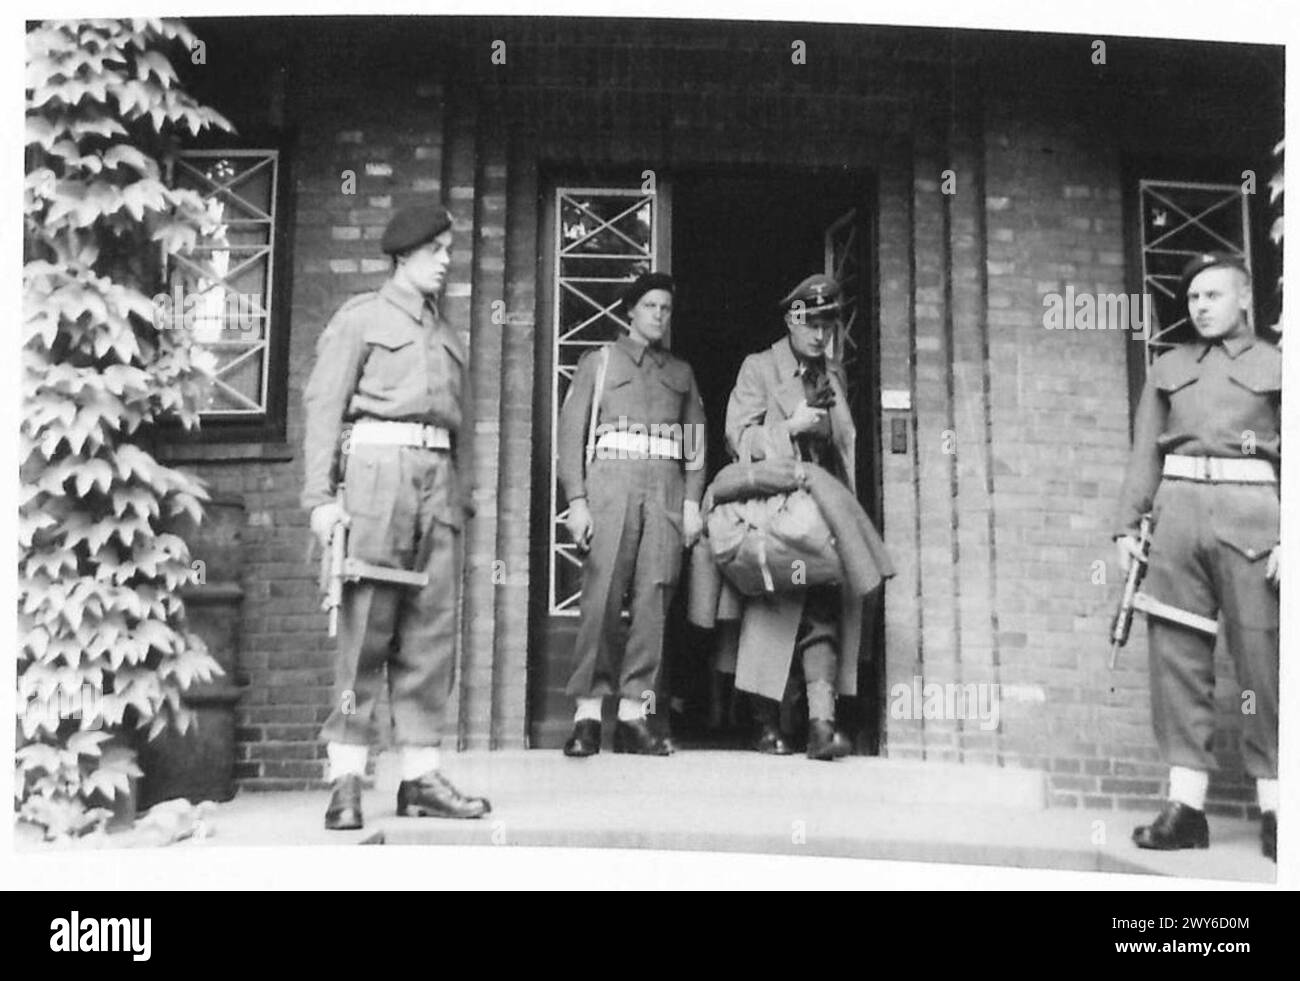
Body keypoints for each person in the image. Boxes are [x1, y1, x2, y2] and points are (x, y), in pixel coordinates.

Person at [302, 202, 490, 829]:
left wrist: (460, 498)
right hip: (376, 478)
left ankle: (418, 777)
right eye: (434, 252)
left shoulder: (447, 334)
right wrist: (321, 499)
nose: (444, 262)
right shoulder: (361, 319)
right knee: (366, 627)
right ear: (403, 256)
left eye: (447, 251)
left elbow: (458, 427)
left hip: (437, 483)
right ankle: (347, 776)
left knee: (431, 632)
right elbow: (325, 406)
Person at [1115, 251, 1280, 861]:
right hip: (1178, 519)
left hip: (1254, 519)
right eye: (1193, 298)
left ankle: (1279, 809)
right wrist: (1127, 526)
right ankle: (1186, 808)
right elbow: (1143, 455)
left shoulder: (1279, 364)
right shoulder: (1168, 366)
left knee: (1265, 663)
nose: (1202, 307)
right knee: (1176, 660)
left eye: (1215, 295)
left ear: (1244, 299)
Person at [556, 272, 707, 756]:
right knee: (601, 595)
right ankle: (586, 714)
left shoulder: (681, 373)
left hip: (664, 488)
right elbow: (570, 436)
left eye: (665, 308)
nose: (659, 316)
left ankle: (632, 714)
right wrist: (576, 501)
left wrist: (690, 503)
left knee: (653, 599)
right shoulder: (599, 363)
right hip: (611, 486)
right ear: (630, 311)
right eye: (650, 307)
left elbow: (695, 445)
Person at [725, 273, 862, 760]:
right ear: (790, 321)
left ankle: (821, 726)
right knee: (771, 610)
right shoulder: (760, 368)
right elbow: (738, 439)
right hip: (777, 508)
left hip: (824, 507)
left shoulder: (834, 373)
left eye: (827, 324)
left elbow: (845, 446)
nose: (820, 334)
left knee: (824, 609)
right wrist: (788, 427)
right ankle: (765, 724)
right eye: (811, 324)